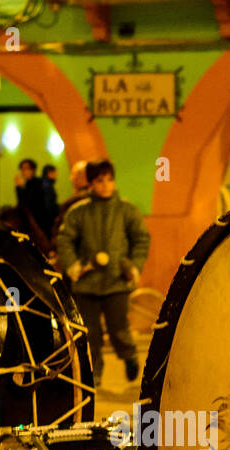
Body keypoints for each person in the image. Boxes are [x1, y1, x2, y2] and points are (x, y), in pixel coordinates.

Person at [55, 159, 150, 386]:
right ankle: (94, 371)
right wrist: (74, 266)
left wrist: (134, 266)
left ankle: (129, 356)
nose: (105, 185)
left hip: (117, 282)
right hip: (87, 284)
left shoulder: (127, 210)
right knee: (91, 333)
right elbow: (65, 240)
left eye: (109, 179)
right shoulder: (79, 212)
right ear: (91, 183)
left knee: (119, 328)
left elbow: (141, 239)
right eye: (100, 180)